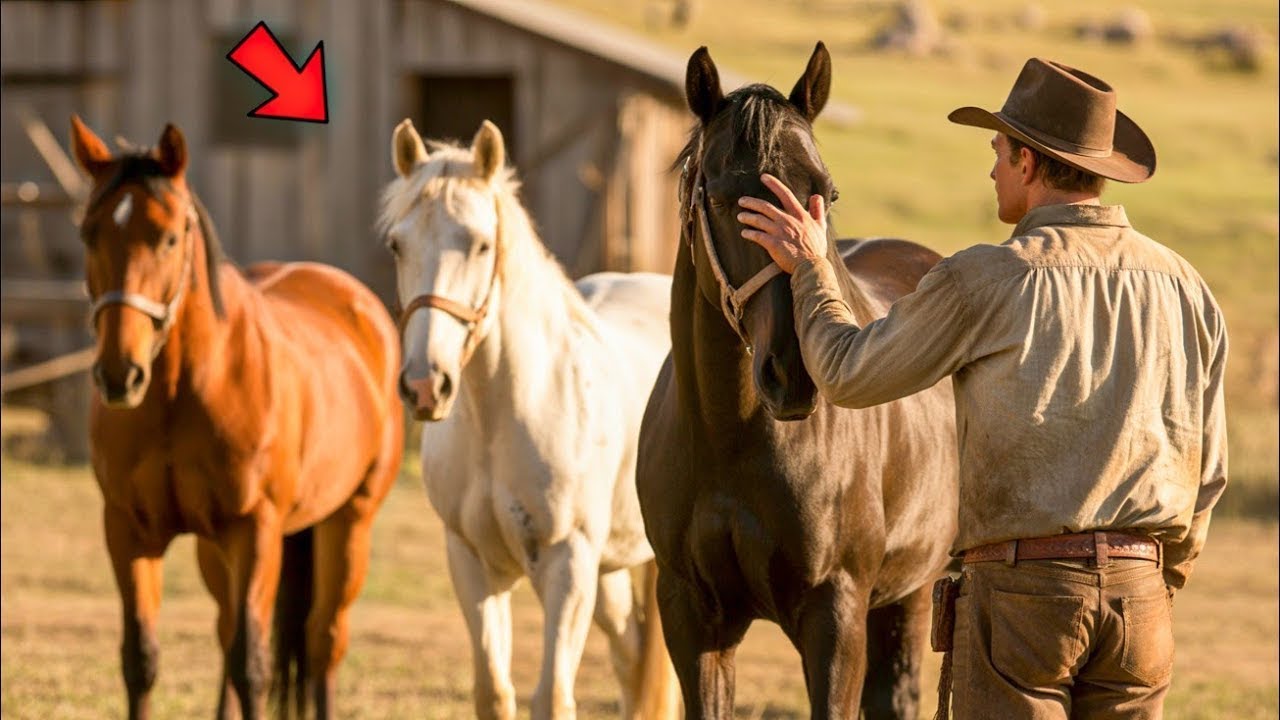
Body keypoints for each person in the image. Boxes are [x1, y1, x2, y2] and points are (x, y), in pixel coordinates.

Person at [737, 57, 1228, 719]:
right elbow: (1211, 470)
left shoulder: (990, 278)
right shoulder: (1186, 287)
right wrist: (1154, 579)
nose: (992, 168)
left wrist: (811, 269)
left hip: (1023, 596)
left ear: (1028, 163)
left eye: (998, 151)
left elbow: (848, 374)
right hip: (1142, 602)